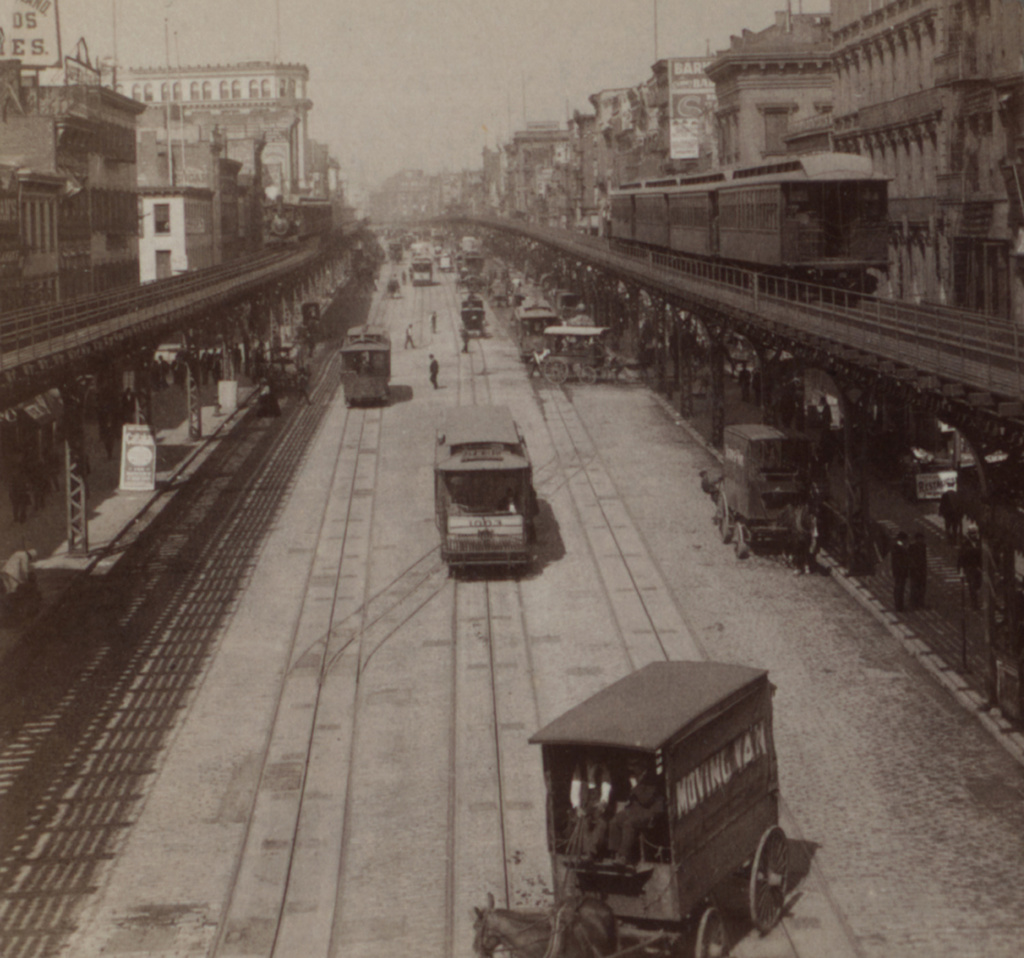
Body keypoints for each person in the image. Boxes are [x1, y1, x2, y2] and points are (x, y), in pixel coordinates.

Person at [608, 756, 664, 866]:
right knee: (614, 821)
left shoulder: (651, 779)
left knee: (629, 824)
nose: (632, 769)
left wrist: (635, 786)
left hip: (648, 813)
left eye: (634, 766)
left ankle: (623, 856)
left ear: (642, 767)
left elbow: (645, 800)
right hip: (635, 811)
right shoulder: (637, 777)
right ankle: (615, 854)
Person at [568, 757, 613, 861]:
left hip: (597, 804)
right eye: (589, 762)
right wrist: (577, 807)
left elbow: (605, 791)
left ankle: (590, 851)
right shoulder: (579, 770)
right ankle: (589, 853)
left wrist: (602, 803)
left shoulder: (603, 770)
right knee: (583, 821)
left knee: (601, 823)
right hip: (583, 805)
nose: (591, 765)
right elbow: (575, 790)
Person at [1, 547, 40, 620]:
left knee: (8, 590)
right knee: (13, 591)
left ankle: (6, 608)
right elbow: (24, 569)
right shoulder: (24, 556)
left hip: (5, 571)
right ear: (30, 556)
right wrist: (26, 578)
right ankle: (11, 611)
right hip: (11, 573)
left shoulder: (18, 553)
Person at [957, 528, 982, 610]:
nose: (973, 535)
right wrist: (960, 569)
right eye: (972, 533)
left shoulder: (979, 543)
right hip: (969, 568)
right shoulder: (965, 544)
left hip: (979, 568)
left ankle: (976, 601)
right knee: (972, 585)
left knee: (978, 585)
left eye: (974, 533)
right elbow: (961, 557)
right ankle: (974, 604)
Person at [890, 531, 910, 612]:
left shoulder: (897, 546)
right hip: (900, 570)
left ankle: (899, 604)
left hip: (899, 570)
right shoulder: (898, 547)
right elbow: (900, 560)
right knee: (899, 587)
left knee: (899, 587)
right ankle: (899, 605)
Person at [908, 531, 928, 610]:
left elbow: (924, 558)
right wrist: (913, 567)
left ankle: (921, 602)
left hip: (922, 569)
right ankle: (914, 603)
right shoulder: (912, 547)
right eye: (920, 539)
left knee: (922, 586)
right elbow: (910, 558)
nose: (921, 540)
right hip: (914, 569)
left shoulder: (923, 546)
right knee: (914, 586)